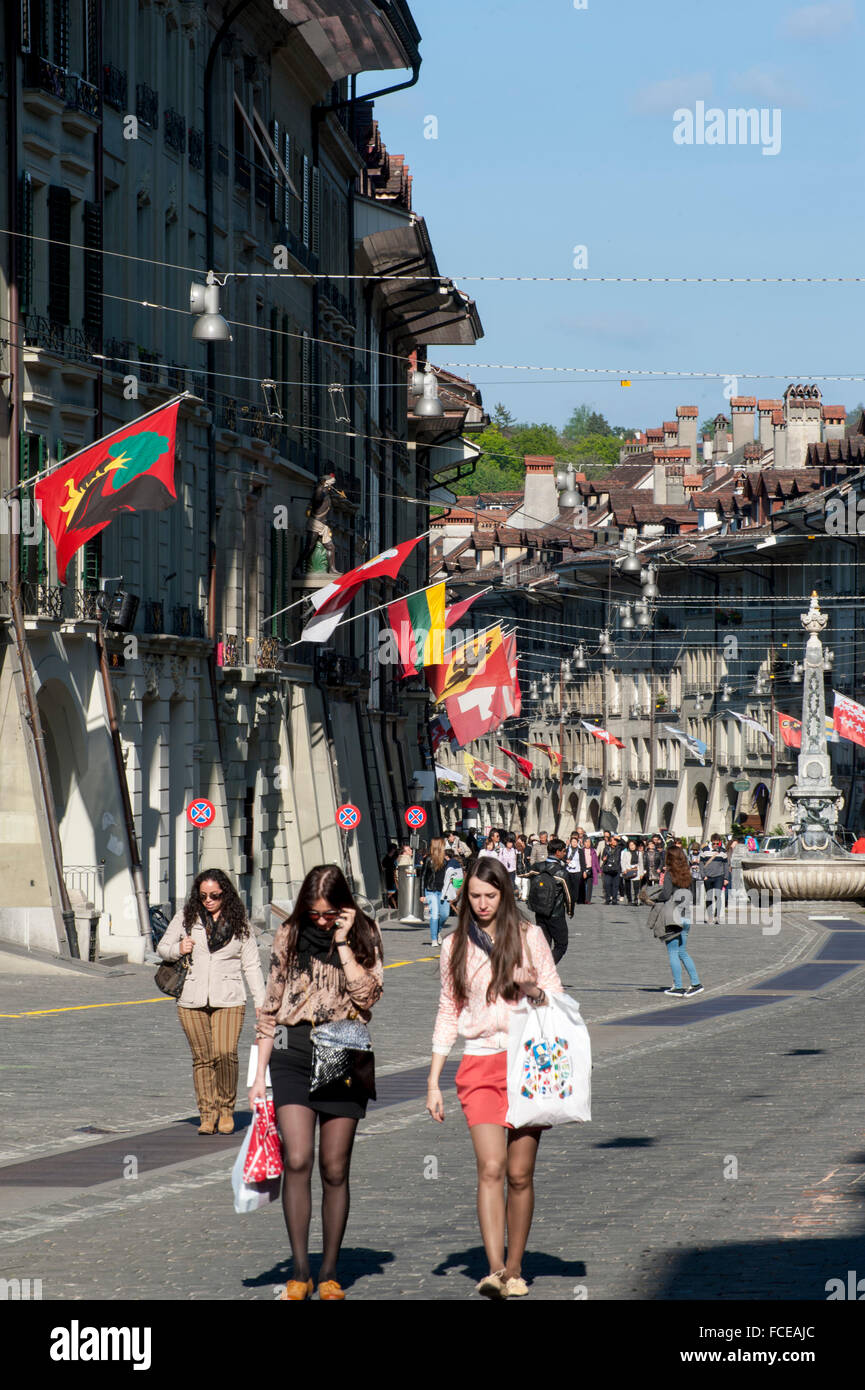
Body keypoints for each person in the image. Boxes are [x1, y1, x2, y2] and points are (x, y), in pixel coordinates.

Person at [426, 856, 563, 1299]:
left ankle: (516, 1268)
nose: (482, 904)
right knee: (491, 1167)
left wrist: (532, 989)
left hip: (529, 1064)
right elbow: (449, 1010)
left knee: (520, 1174)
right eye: (474, 896)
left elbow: (556, 999)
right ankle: (494, 1269)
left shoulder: (530, 937)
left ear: (504, 895)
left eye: (490, 895)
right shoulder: (454, 946)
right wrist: (433, 1080)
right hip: (480, 1064)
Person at [251, 865, 384, 1301]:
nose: (322, 921)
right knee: (298, 1158)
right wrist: (257, 1077)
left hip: (344, 1047)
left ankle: (329, 1270)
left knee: (334, 1166)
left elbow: (367, 997)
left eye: (329, 914)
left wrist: (343, 942)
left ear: (343, 905)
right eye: (315, 913)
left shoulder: (364, 933)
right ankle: (300, 1268)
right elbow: (269, 1005)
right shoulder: (288, 935)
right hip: (292, 1051)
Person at [157, 868, 265, 1135]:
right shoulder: (186, 918)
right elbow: (162, 947)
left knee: (225, 1053)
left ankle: (226, 1108)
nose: (208, 900)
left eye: (214, 895)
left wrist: (261, 1002)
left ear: (225, 895)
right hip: (191, 997)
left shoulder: (240, 924)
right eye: (203, 895)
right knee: (202, 1058)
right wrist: (178, 949)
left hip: (229, 998)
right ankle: (207, 1114)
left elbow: (251, 965)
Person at [647, 845, 703, 998]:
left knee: (673, 952)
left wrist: (653, 898)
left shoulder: (670, 874)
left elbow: (665, 894)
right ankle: (696, 983)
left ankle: (678, 986)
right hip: (686, 917)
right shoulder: (687, 874)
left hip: (673, 917)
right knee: (682, 952)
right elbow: (694, 896)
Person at [527, 837, 571, 963]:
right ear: (558, 852)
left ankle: (537, 969)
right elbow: (568, 895)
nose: (564, 853)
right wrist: (570, 910)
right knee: (561, 944)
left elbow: (522, 874)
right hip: (555, 912)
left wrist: (520, 856)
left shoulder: (538, 867)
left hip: (539, 910)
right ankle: (544, 970)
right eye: (563, 851)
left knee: (544, 945)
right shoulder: (562, 873)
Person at [421, 837, 449, 947]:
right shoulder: (428, 859)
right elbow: (422, 876)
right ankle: (434, 939)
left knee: (445, 914)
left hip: (443, 891)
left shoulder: (446, 861)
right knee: (434, 914)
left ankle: (437, 932)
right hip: (431, 890)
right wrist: (422, 894)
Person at [700, 835, 729, 924]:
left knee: (718, 896)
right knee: (709, 897)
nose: (716, 845)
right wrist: (703, 875)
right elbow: (701, 864)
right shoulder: (705, 851)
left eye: (718, 843)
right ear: (711, 842)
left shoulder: (723, 852)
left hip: (719, 877)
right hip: (708, 877)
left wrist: (726, 878)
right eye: (714, 843)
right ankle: (709, 916)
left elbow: (726, 866)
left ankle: (717, 916)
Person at [600, 834, 623, 905]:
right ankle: (607, 899)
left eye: (616, 841)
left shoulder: (619, 848)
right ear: (610, 842)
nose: (615, 842)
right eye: (614, 840)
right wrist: (604, 858)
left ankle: (614, 899)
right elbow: (603, 857)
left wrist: (619, 838)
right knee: (607, 884)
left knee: (615, 885)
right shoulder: (606, 848)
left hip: (616, 868)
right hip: (607, 868)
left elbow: (625, 844)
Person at [380, 843, 398, 909]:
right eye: (394, 850)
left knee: (394, 893)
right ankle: (386, 902)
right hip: (389, 878)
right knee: (392, 892)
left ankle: (393, 905)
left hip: (392, 878)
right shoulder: (387, 859)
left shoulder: (393, 858)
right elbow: (384, 867)